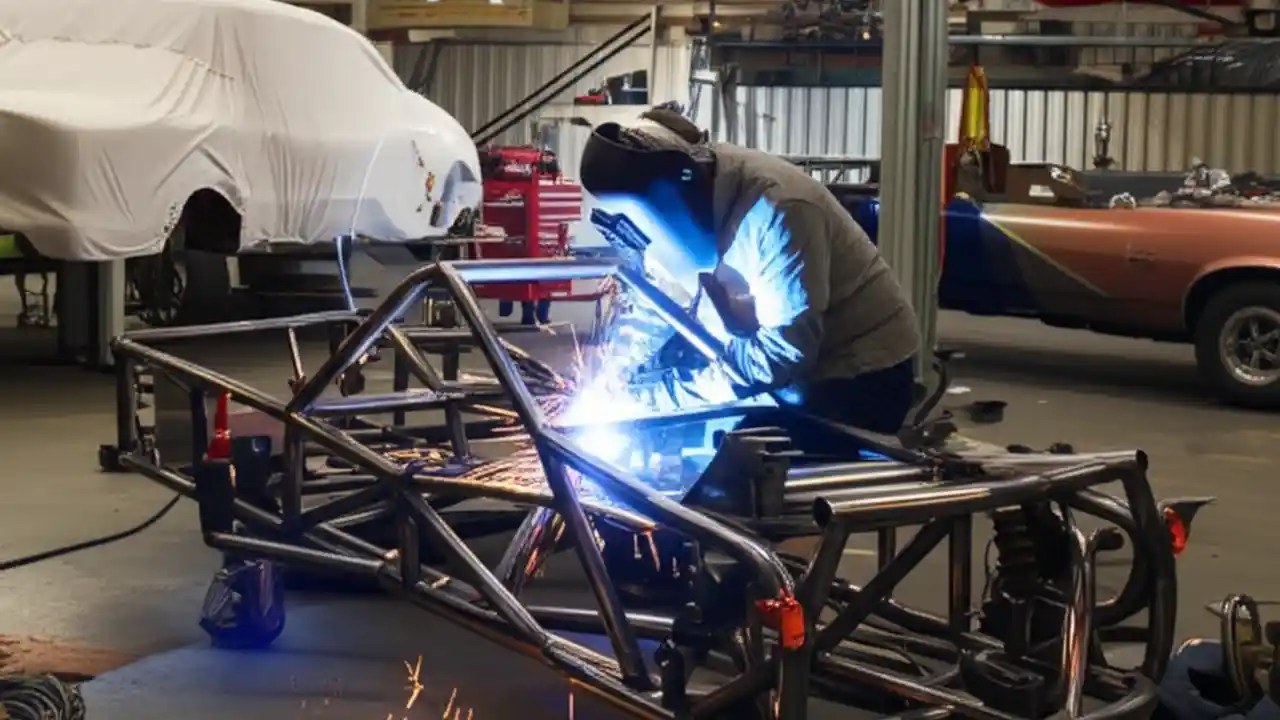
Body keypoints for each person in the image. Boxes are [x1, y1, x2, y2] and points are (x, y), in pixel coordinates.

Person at [578, 108, 921, 435]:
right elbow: (662, 299)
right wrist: (624, 372)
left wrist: (655, 398)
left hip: (860, 376)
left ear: (683, 188)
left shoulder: (778, 212)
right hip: (781, 355)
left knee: (733, 463)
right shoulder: (686, 198)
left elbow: (783, 356)